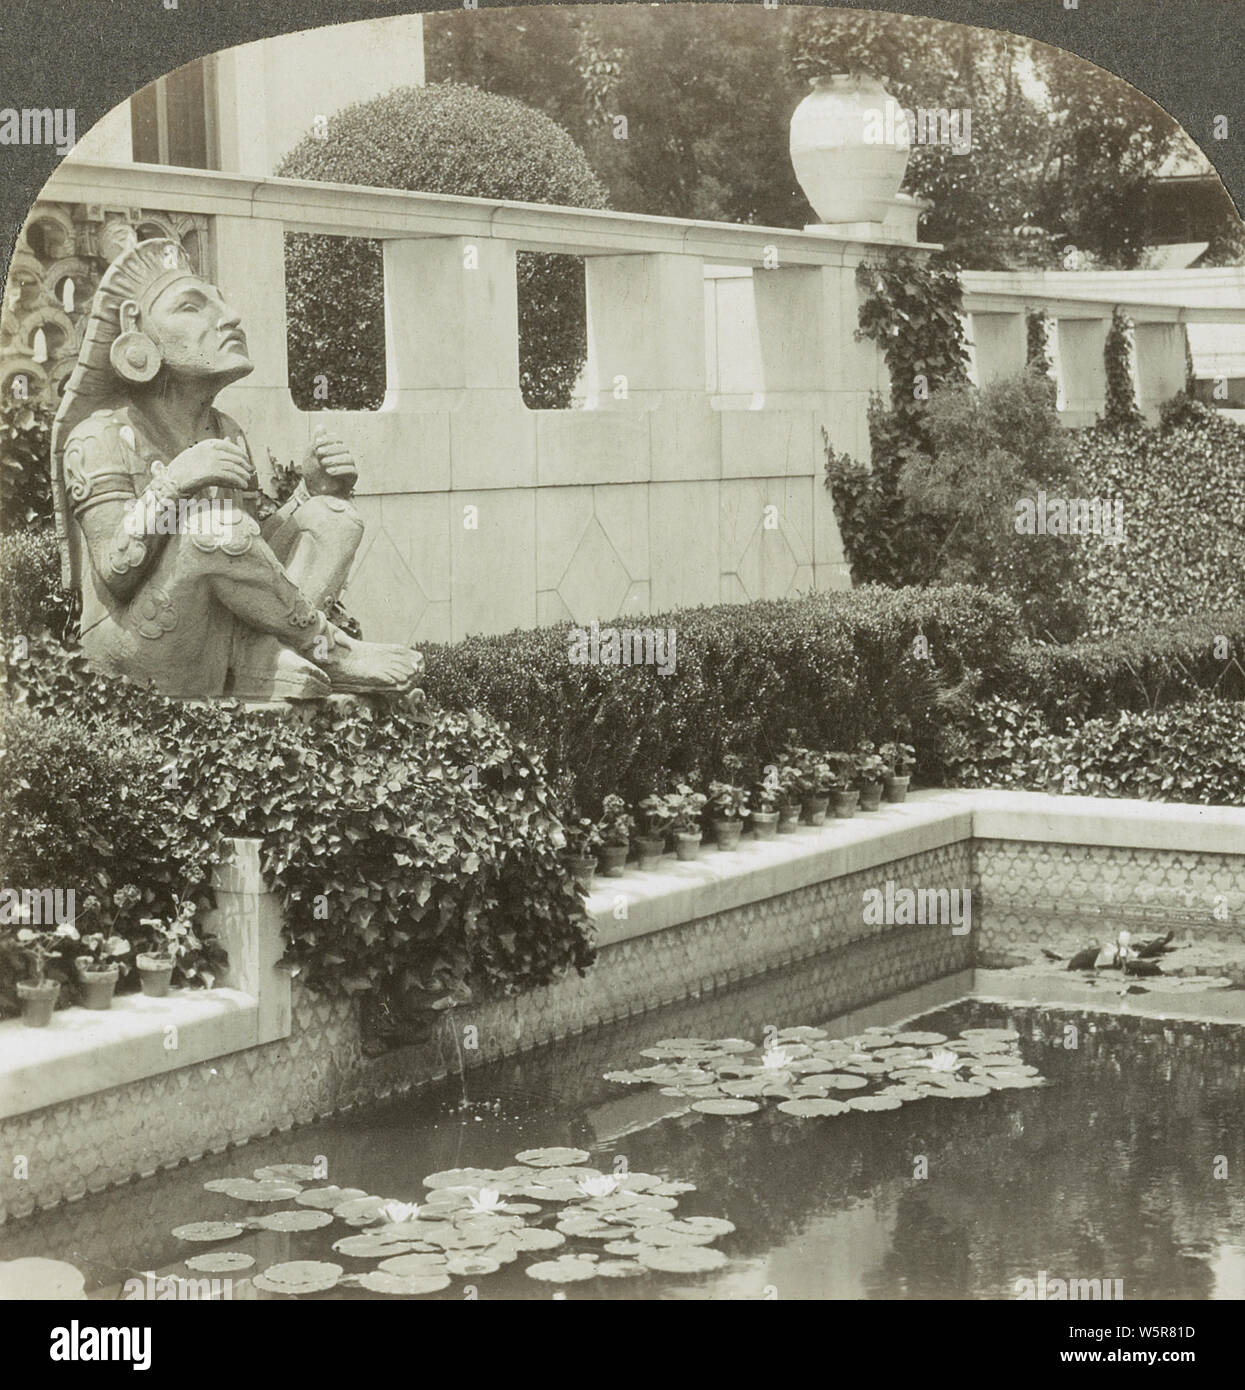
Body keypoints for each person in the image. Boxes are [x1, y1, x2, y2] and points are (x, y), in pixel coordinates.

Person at [50, 237, 421, 700]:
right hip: (136, 644)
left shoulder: (224, 430)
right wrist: (178, 481)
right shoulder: (97, 436)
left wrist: (309, 493)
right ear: (137, 335)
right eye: (191, 307)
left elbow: (250, 552)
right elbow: (114, 574)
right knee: (217, 528)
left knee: (333, 518)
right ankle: (329, 649)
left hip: (215, 629)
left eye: (222, 303)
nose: (229, 318)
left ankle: (261, 658)